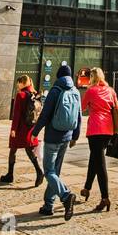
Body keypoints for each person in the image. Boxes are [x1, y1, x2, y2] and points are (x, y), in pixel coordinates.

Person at [31, 64, 81, 220]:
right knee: (55, 172)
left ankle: (66, 195)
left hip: (53, 137)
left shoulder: (55, 90)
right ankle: (48, 205)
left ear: (58, 76)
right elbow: (79, 116)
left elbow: (45, 114)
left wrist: (35, 132)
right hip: (67, 136)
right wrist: (75, 136)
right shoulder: (75, 91)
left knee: (49, 171)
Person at [80, 67, 118, 212]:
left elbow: (82, 107)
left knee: (100, 163)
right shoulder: (111, 91)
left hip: (95, 130)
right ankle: (87, 188)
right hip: (108, 130)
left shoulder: (91, 91)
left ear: (92, 77)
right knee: (95, 158)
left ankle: (105, 197)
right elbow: (117, 108)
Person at [1, 74, 44, 186]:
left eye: (18, 83)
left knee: (13, 150)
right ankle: (38, 171)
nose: (17, 86)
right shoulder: (34, 93)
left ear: (22, 83)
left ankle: (10, 175)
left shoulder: (21, 95)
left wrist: (13, 129)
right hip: (30, 127)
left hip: (20, 128)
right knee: (28, 149)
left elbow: (16, 114)